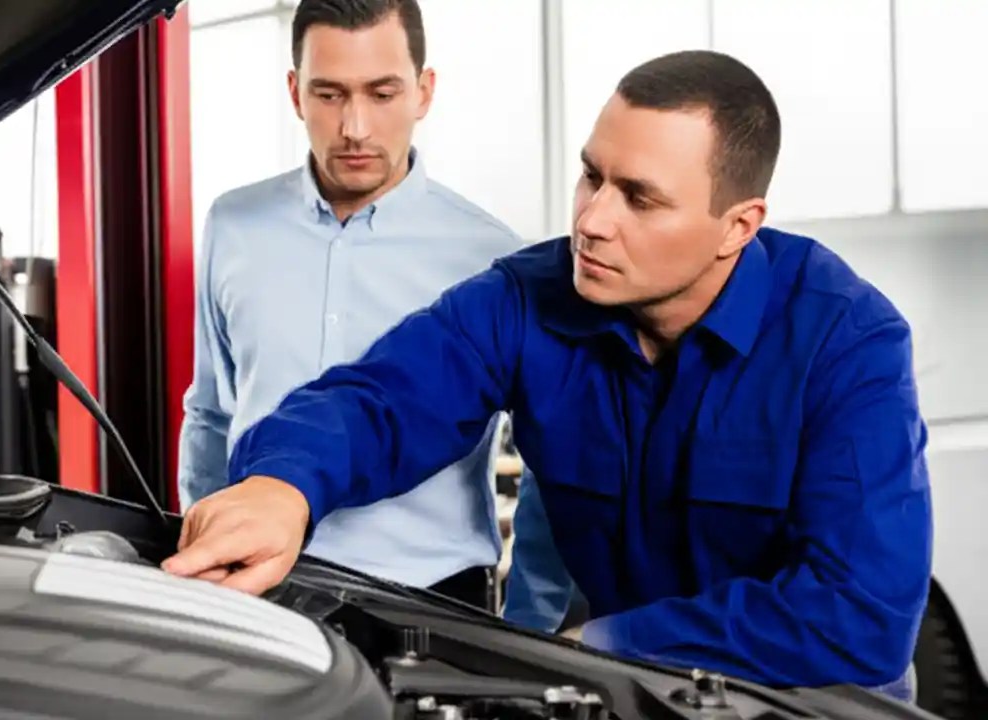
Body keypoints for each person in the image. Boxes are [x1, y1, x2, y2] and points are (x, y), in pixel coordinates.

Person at [164, 48, 933, 700]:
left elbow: (858, 616)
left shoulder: (846, 342)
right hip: (626, 691)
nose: (593, 219)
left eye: (640, 198)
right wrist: (284, 486)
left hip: (806, 703)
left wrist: (605, 641)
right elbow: (384, 400)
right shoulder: (529, 297)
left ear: (738, 225)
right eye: (591, 177)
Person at [175, 0, 567, 613]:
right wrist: (204, 547)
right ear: (295, 93)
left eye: (382, 94)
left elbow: (549, 465)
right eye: (329, 95)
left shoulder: (492, 256)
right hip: (258, 589)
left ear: (423, 92)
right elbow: (212, 413)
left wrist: (531, 625)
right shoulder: (233, 224)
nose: (355, 126)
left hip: (431, 601)